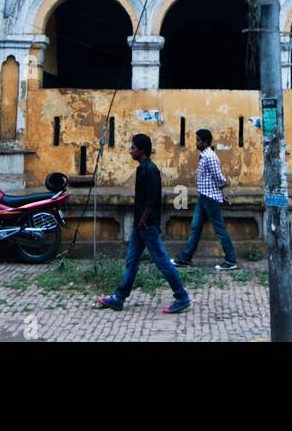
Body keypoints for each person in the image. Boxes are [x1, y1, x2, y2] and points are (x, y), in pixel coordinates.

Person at [96, 134, 190, 315]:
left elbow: (152, 199)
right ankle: (119, 298)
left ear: (141, 150)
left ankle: (181, 296)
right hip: (141, 226)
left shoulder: (150, 170)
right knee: (131, 262)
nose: (130, 150)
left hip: (147, 225)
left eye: (133, 147)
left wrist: (143, 220)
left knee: (162, 262)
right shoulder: (142, 169)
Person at [173, 129, 238, 271]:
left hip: (210, 199)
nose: (196, 143)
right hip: (203, 197)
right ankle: (185, 258)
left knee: (220, 229)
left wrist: (223, 189)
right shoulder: (204, 155)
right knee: (195, 227)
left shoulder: (210, 156)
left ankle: (231, 260)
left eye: (198, 140)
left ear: (206, 142)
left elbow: (218, 177)